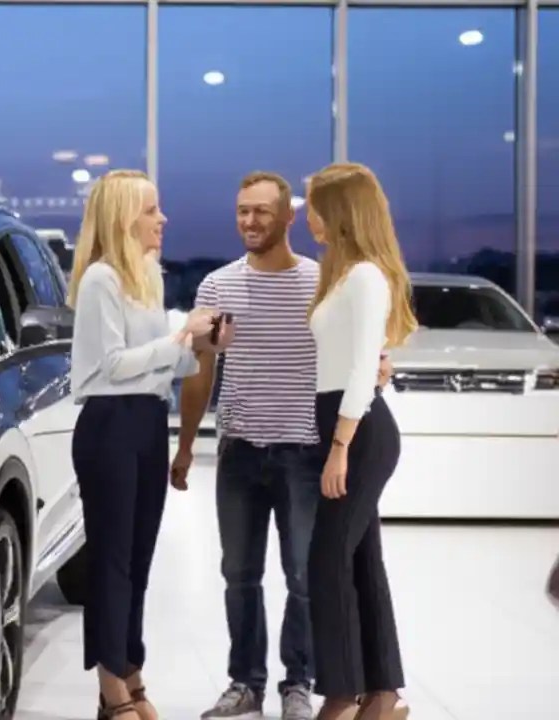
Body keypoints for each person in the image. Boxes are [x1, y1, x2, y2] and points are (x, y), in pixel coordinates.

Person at [176, 172, 394, 720]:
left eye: (262, 212)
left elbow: (364, 356)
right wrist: (184, 446)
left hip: (306, 451)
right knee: (239, 575)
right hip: (239, 451)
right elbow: (200, 373)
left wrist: (377, 374)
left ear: (290, 217)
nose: (250, 221)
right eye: (242, 211)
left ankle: (300, 682)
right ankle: (244, 682)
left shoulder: (324, 282)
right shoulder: (218, 286)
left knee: (305, 576)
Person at [68, 169, 217, 720]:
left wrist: (199, 347)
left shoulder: (148, 276)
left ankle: (131, 671)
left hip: (149, 422)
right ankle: (113, 692)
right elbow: (107, 367)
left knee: (139, 561)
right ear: (124, 218)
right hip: (109, 426)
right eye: (152, 210)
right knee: (111, 563)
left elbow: (162, 367)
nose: (163, 219)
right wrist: (178, 338)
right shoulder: (100, 280)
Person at [303, 162, 416, 720]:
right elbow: (358, 358)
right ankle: (383, 694)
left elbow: (359, 370)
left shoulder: (367, 276)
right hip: (344, 421)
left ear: (341, 212)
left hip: (359, 431)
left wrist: (340, 446)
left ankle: (343, 697)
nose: (308, 217)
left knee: (326, 560)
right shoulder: (345, 275)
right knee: (361, 559)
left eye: (315, 207)